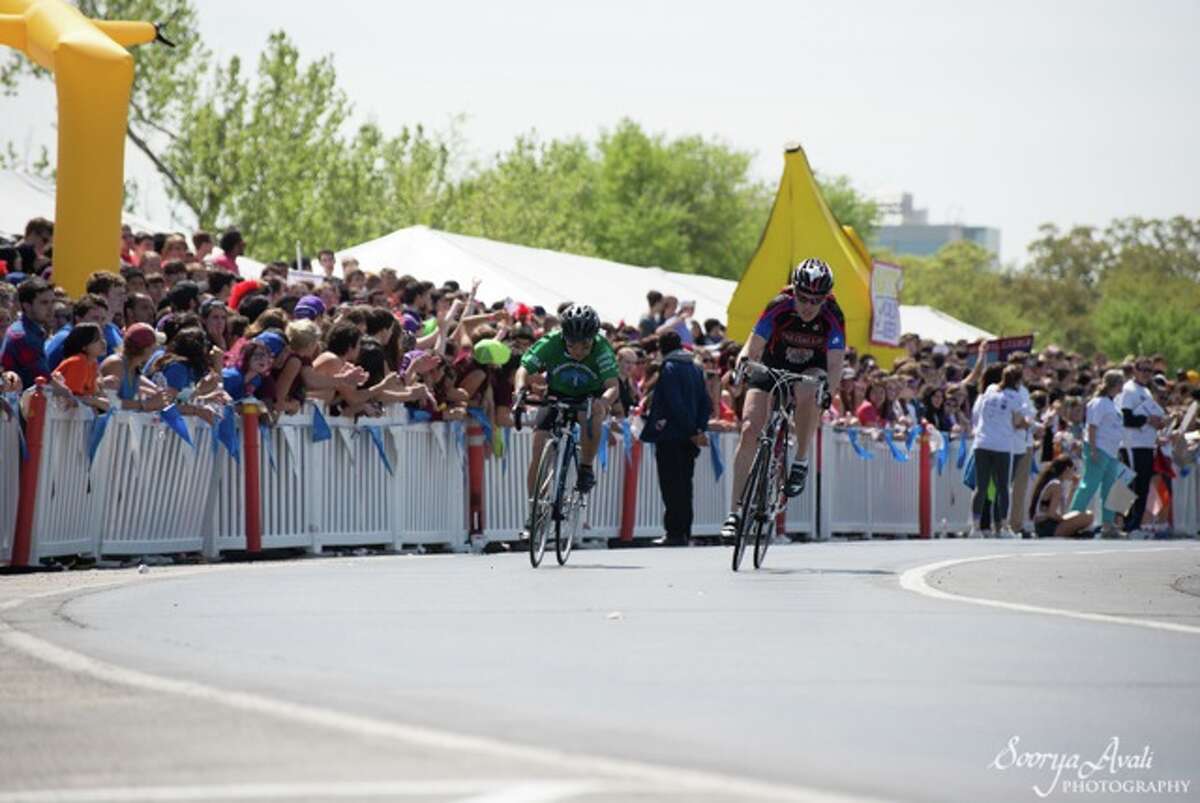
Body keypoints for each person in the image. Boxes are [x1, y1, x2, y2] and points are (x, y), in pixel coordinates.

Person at [722, 258, 843, 538]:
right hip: (772, 364)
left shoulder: (833, 314)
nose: (809, 306)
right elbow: (753, 346)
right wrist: (742, 364)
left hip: (810, 370)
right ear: (794, 291)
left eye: (817, 300)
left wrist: (829, 393)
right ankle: (735, 513)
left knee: (809, 390)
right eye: (803, 298)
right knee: (750, 429)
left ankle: (800, 458)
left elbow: (836, 364)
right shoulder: (779, 304)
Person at [513, 304, 620, 528]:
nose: (579, 351)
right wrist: (520, 391)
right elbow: (523, 369)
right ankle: (534, 509)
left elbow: (613, 386)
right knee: (539, 447)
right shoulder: (551, 341)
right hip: (557, 393)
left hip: (589, 395)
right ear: (564, 337)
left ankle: (586, 468)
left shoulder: (602, 348)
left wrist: (603, 402)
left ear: (593, 338)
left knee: (591, 415)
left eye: (585, 345)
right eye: (572, 345)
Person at [639, 331, 710, 546]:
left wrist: (690, 430)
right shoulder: (696, 369)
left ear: (662, 348)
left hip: (671, 436)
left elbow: (674, 403)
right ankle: (684, 530)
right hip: (689, 437)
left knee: (671, 486)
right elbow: (705, 403)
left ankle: (674, 533)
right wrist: (698, 429)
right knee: (685, 485)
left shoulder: (669, 368)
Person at [969, 365, 1029, 538]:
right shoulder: (1015, 397)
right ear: (1017, 381)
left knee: (981, 486)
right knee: (1002, 487)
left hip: (982, 442)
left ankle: (975, 527)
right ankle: (1002, 527)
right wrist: (1029, 423)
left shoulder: (990, 390)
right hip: (1001, 445)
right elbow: (1017, 423)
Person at [1070, 369, 1127, 537]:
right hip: (1099, 448)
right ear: (1114, 384)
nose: (1122, 386)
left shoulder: (1113, 403)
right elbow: (1092, 427)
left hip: (1111, 451)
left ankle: (1108, 524)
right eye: (1120, 383)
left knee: (1109, 488)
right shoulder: (1099, 402)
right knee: (1089, 484)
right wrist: (1093, 449)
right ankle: (1073, 516)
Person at [1120, 358, 1165, 536]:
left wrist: (1158, 422)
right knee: (1133, 486)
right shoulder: (1129, 390)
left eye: (1149, 370)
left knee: (1143, 486)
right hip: (1133, 445)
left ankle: (1135, 524)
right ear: (1135, 370)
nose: (1146, 373)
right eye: (1143, 369)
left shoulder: (1146, 390)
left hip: (1146, 444)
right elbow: (1126, 418)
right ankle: (1128, 524)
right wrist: (1148, 420)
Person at [1, 277, 55, 390]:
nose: (51, 308)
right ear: (27, 306)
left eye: (53, 302)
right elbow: (43, 379)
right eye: (44, 303)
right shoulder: (23, 336)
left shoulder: (32, 331)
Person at [1030, 457, 1094, 538]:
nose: (1075, 473)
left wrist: (1073, 489)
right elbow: (1051, 514)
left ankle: (1072, 533)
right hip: (1047, 526)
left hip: (1045, 525)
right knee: (1088, 515)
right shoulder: (1056, 485)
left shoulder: (1057, 484)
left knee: (1079, 513)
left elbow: (1064, 510)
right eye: (1074, 469)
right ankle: (1071, 533)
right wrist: (1065, 520)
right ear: (1067, 469)